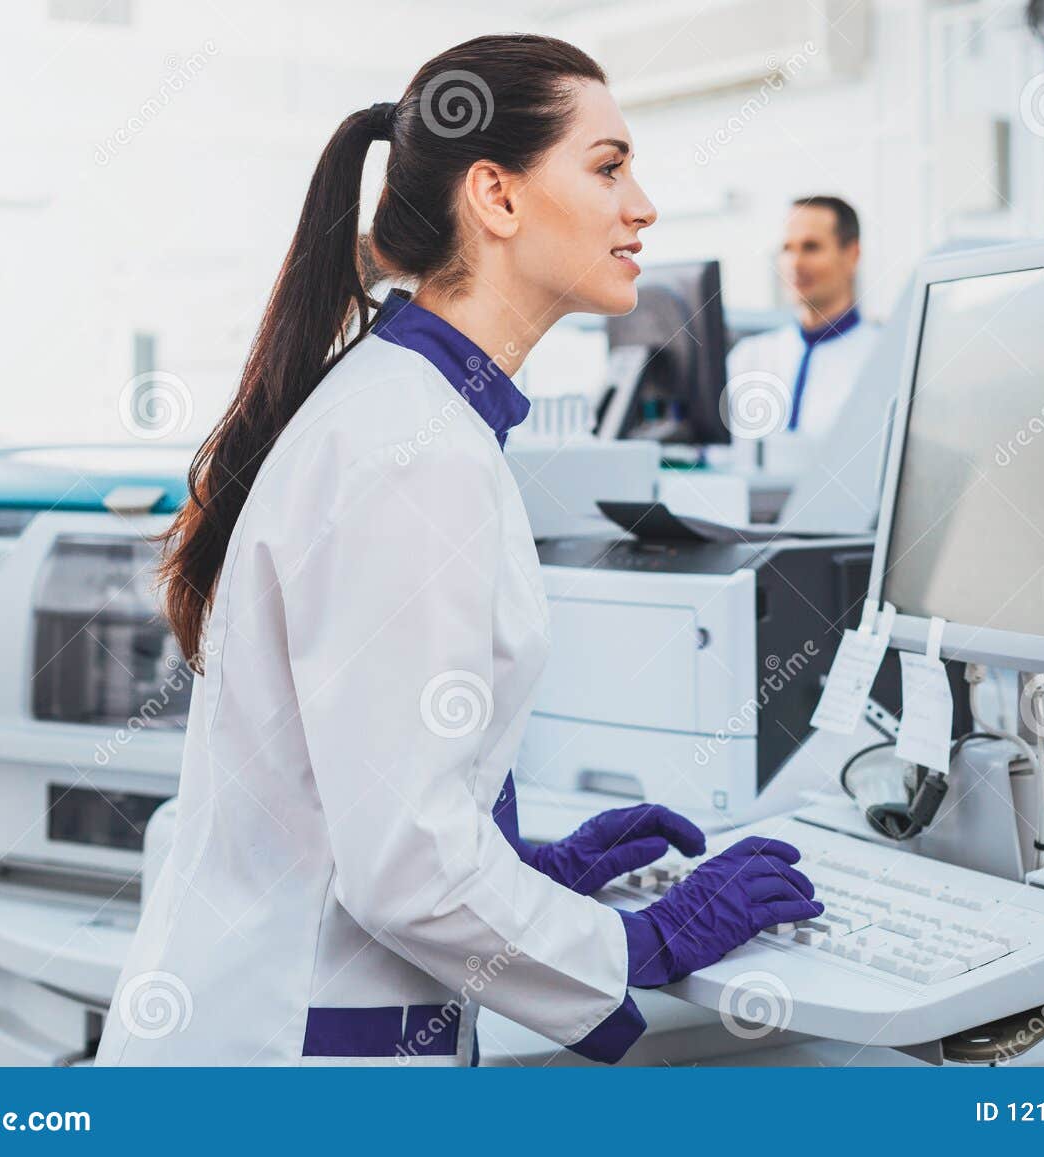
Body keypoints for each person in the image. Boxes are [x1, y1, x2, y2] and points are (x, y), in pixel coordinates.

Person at [95, 34, 822, 1068]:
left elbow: (371, 801)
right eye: (609, 166)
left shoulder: (408, 409)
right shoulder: (414, 450)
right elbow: (403, 870)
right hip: (288, 1053)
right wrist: (638, 938)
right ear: (496, 196)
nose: (641, 206)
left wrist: (526, 867)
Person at [727, 196, 879, 439]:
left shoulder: (883, 356)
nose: (794, 263)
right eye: (787, 248)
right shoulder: (748, 357)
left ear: (852, 255)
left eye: (811, 247)